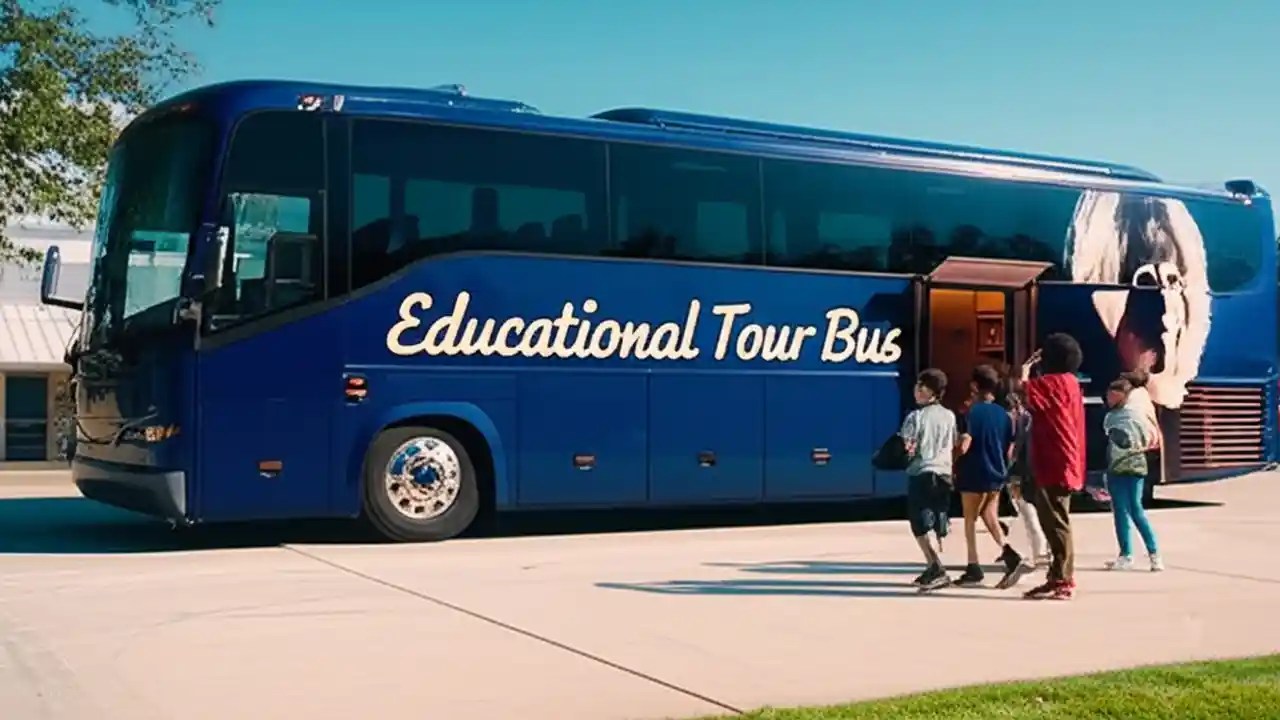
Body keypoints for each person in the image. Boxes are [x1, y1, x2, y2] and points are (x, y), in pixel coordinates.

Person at [1017, 333, 1087, 600]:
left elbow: (1023, 395)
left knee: (1056, 522)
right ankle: (1058, 576)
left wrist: (1025, 370)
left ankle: (1062, 579)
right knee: (1057, 519)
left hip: (1053, 460)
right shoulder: (1070, 382)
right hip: (1066, 459)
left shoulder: (1051, 383)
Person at [955, 365, 1028, 588]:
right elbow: (1010, 447)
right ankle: (1009, 553)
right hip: (997, 472)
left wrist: (954, 455)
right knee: (990, 516)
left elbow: (965, 445)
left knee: (970, 520)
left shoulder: (972, 412)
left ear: (975, 386)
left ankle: (973, 566)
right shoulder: (1003, 415)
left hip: (974, 471)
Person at [899, 368, 958, 591]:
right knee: (935, 519)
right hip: (943, 473)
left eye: (920, 386)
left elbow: (909, 447)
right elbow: (952, 443)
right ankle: (932, 566)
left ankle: (936, 566)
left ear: (929, 391)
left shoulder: (916, 417)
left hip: (922, 473)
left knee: (919, 525)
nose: (916, 390)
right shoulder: (949, 415)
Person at [1102, 376, 1165, 571]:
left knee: (1130, 510)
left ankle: (1145, 554)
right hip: (1125, 467)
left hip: (1127, 467)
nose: (1109, 400)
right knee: (1125, 510)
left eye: (1113, 396)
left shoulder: (1118, 417)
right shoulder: (1127, 415)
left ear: (1123, 396)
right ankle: (1134, 554)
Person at [1003, 381, 1050, 569]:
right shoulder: (1036, 417)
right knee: (1037, 513)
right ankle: (1043, 551)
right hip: (1038, 469)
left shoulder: (1023, 420)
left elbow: (1017, 449)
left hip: (1024, 472)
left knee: (1029, 513)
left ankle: (1040, 553)